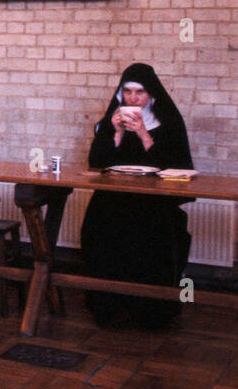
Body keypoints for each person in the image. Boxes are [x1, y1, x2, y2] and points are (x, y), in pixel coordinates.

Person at [81, 63, 194, 329]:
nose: (133, 99)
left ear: (152, 95)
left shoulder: (169, 124)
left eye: (140, 92)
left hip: (153, 201)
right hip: (115, 198)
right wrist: (116, 133)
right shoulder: (112, 121)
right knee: (95, 229)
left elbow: (175, 167)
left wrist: (143, 133)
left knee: (150, 239)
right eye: (128, 92)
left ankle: (150, 311)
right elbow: (96, 162)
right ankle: (106, 306)